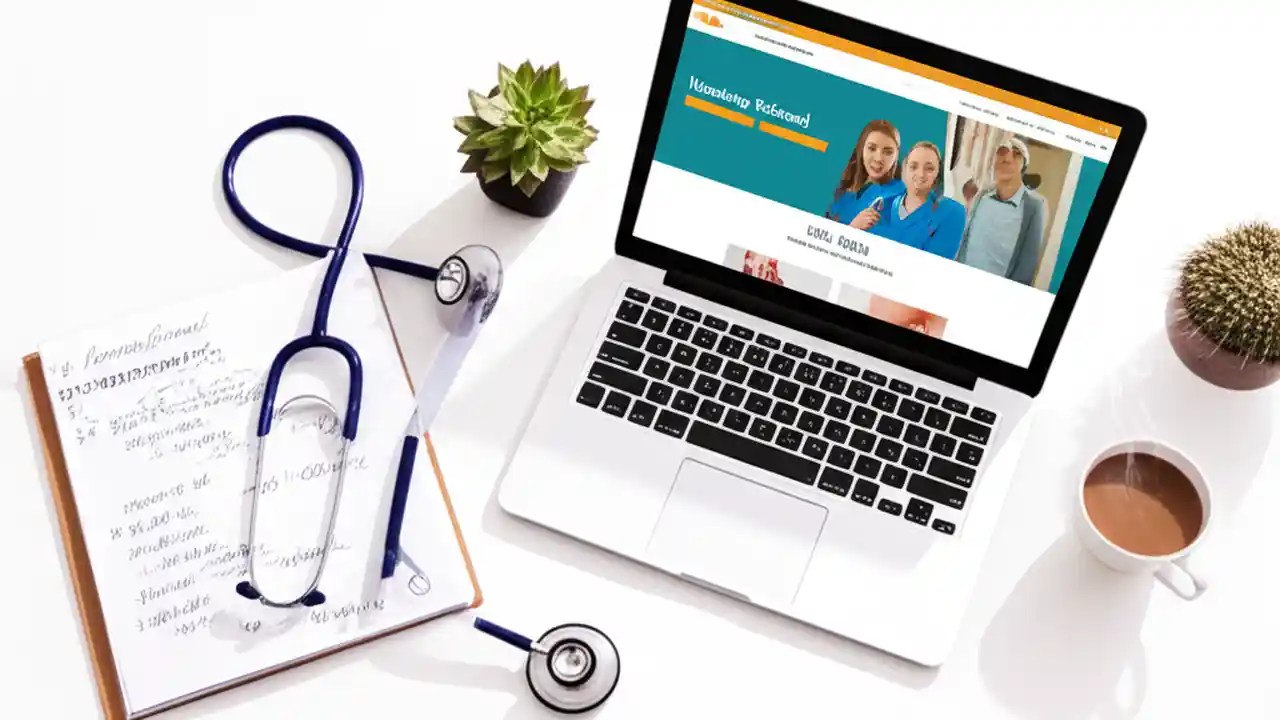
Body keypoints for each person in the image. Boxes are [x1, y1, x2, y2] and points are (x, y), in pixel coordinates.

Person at [955, 137, 1047, 285]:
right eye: (1002, 152)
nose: (1007, 158)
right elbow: (965, 242)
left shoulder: (1034, 206)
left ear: (1024, 165)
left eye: (1016, 154)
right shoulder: (982, 196)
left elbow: (1027, 264)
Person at [868, 141, 966, 259]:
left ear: (937, 174)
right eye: (913, 167)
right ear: (904, 169)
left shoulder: (951, 212)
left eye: (929, 169)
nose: (921, 174)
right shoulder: (882, 206)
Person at [824, 119, 906, 230]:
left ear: (896, 154)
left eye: (888, 152)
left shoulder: (901, 195)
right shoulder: (842, 193)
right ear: (862, 148)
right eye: (872, 148)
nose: (878, 158)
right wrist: (853, 227)